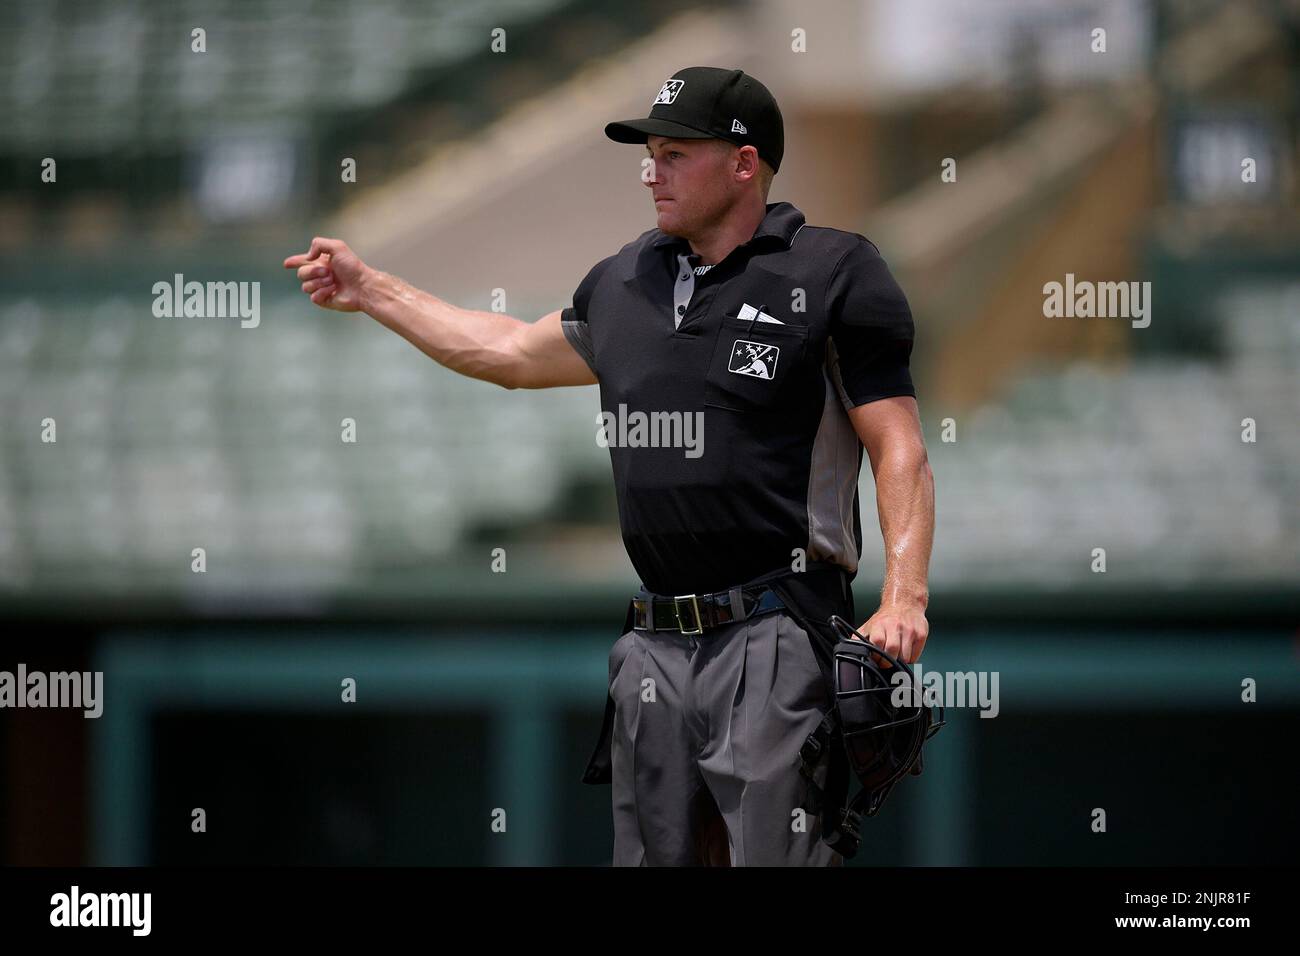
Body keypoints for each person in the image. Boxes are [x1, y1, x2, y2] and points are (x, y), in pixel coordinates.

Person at [284, 66, 935, 866]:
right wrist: (372, 287)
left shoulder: (830, 271)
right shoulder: (624, 281)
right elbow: (510, 351)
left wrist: (904, 595)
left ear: (744, 162)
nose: (651, 172)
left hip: (776, 630)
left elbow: (896, 443)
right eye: (649, 154)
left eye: (673, 154)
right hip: (652, 644)